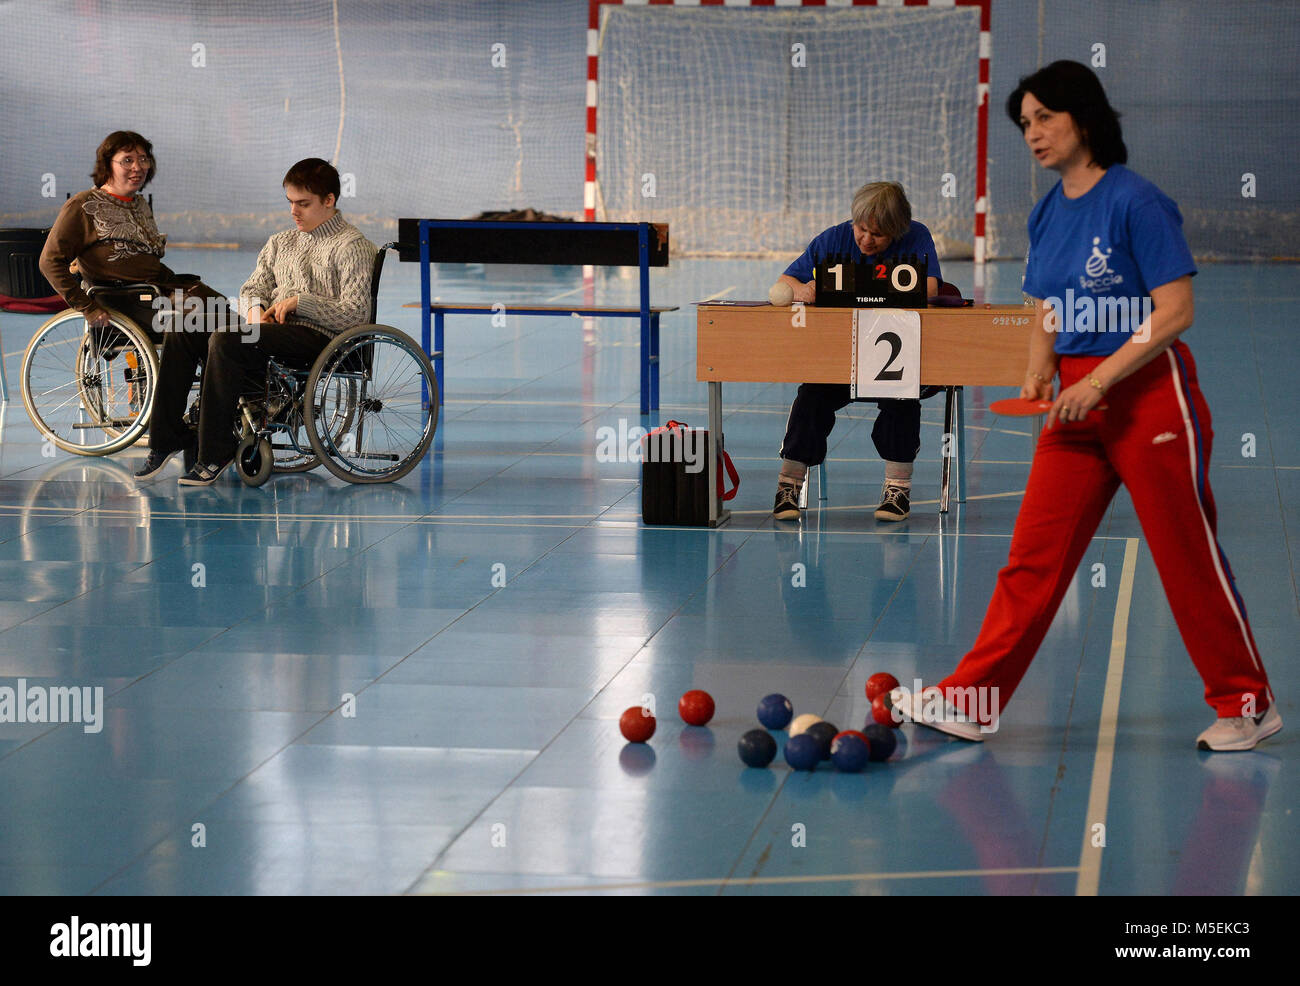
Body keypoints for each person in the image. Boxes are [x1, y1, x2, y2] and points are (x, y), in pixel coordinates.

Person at [898, 61, 1278, 752]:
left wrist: (1099, 380)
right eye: (1024, 124)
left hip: (1147, 397)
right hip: (1072, 407)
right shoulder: (1047, 211)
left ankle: (1246, 702)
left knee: (1184, 553)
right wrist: (1041, 365)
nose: (1033, 134)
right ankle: (974, 700)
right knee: (1032, 559)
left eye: (1045, 117)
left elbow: (1175, 311)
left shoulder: (1138, 202)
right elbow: (1042, 300)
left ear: (1084, 116)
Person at [135, 158, 377, 486]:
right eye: (291, 203)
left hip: (319, 337)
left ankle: (217, 451)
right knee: (184, 327)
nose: (294, 211)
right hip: (270, 331)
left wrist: (299, 303)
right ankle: (168, 438)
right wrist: (255, 313)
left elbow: (356, 312)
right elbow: (252, 288)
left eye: (304, 204)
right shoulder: (281, 242)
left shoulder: (354, 247)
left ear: (329, 200)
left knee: (226, 339)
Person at [772, 181, 941, 523]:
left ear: (897, 231)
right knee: (811, 398)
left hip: (895, 363)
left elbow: (933, 288)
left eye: (877, 235)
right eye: (861, 229)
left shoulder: (917, 237)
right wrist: (804, 290)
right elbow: (786, 280)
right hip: (839, 361)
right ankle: (788, 485)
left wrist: (863, 288)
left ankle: (897, 490)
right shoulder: (832, 239)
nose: (866, 239)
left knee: (903, 398)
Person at [39, 130, 224, 336]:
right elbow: (49, 262)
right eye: (127, 160)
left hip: (159, 291)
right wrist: (87, 307)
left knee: (224, 310)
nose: (137, 167)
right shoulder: (83, 205)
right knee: (212, 325)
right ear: (108, 164)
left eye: (143, 159)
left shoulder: (140, 204)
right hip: (131, 301)